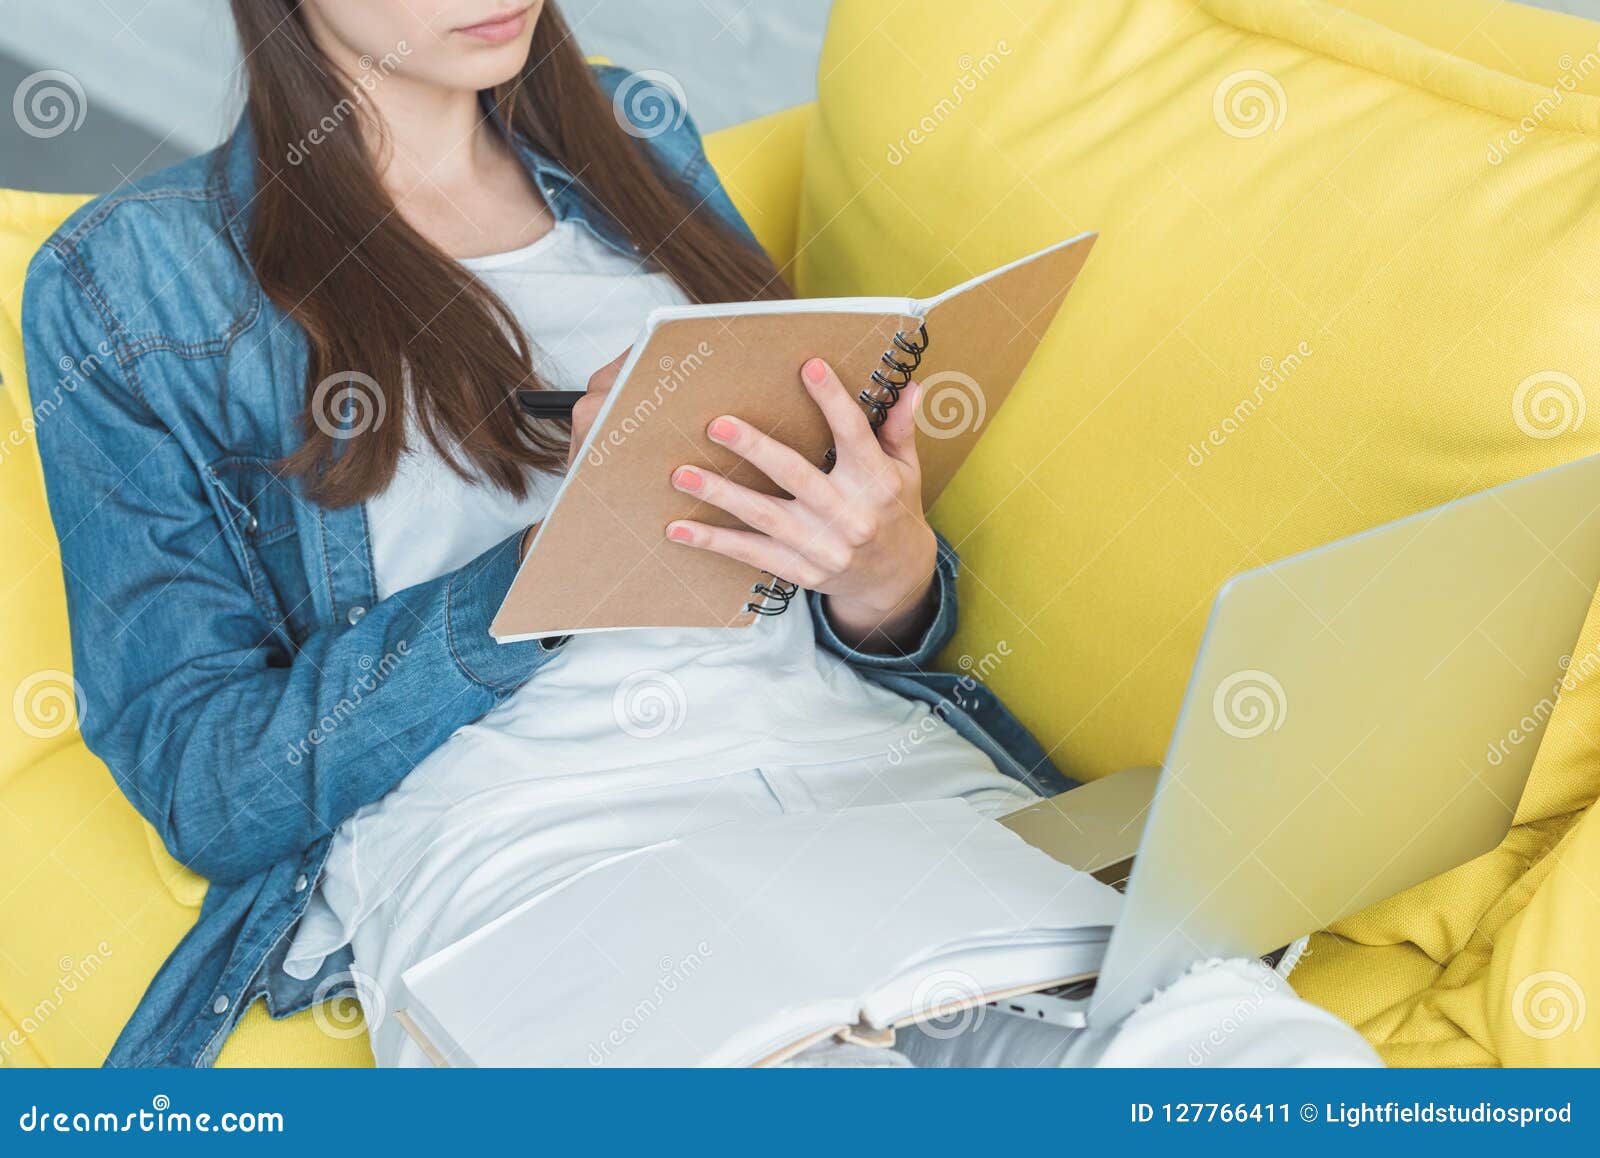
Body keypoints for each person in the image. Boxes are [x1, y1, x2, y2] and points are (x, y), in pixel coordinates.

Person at [23, 0, 1375, 1069]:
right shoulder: (132, 277)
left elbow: (861, 604)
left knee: (1254, 1057)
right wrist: (560, 570)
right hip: (545, 861)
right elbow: (209, 781)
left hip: (878, 799)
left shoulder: (631, 136)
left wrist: (883, 566)